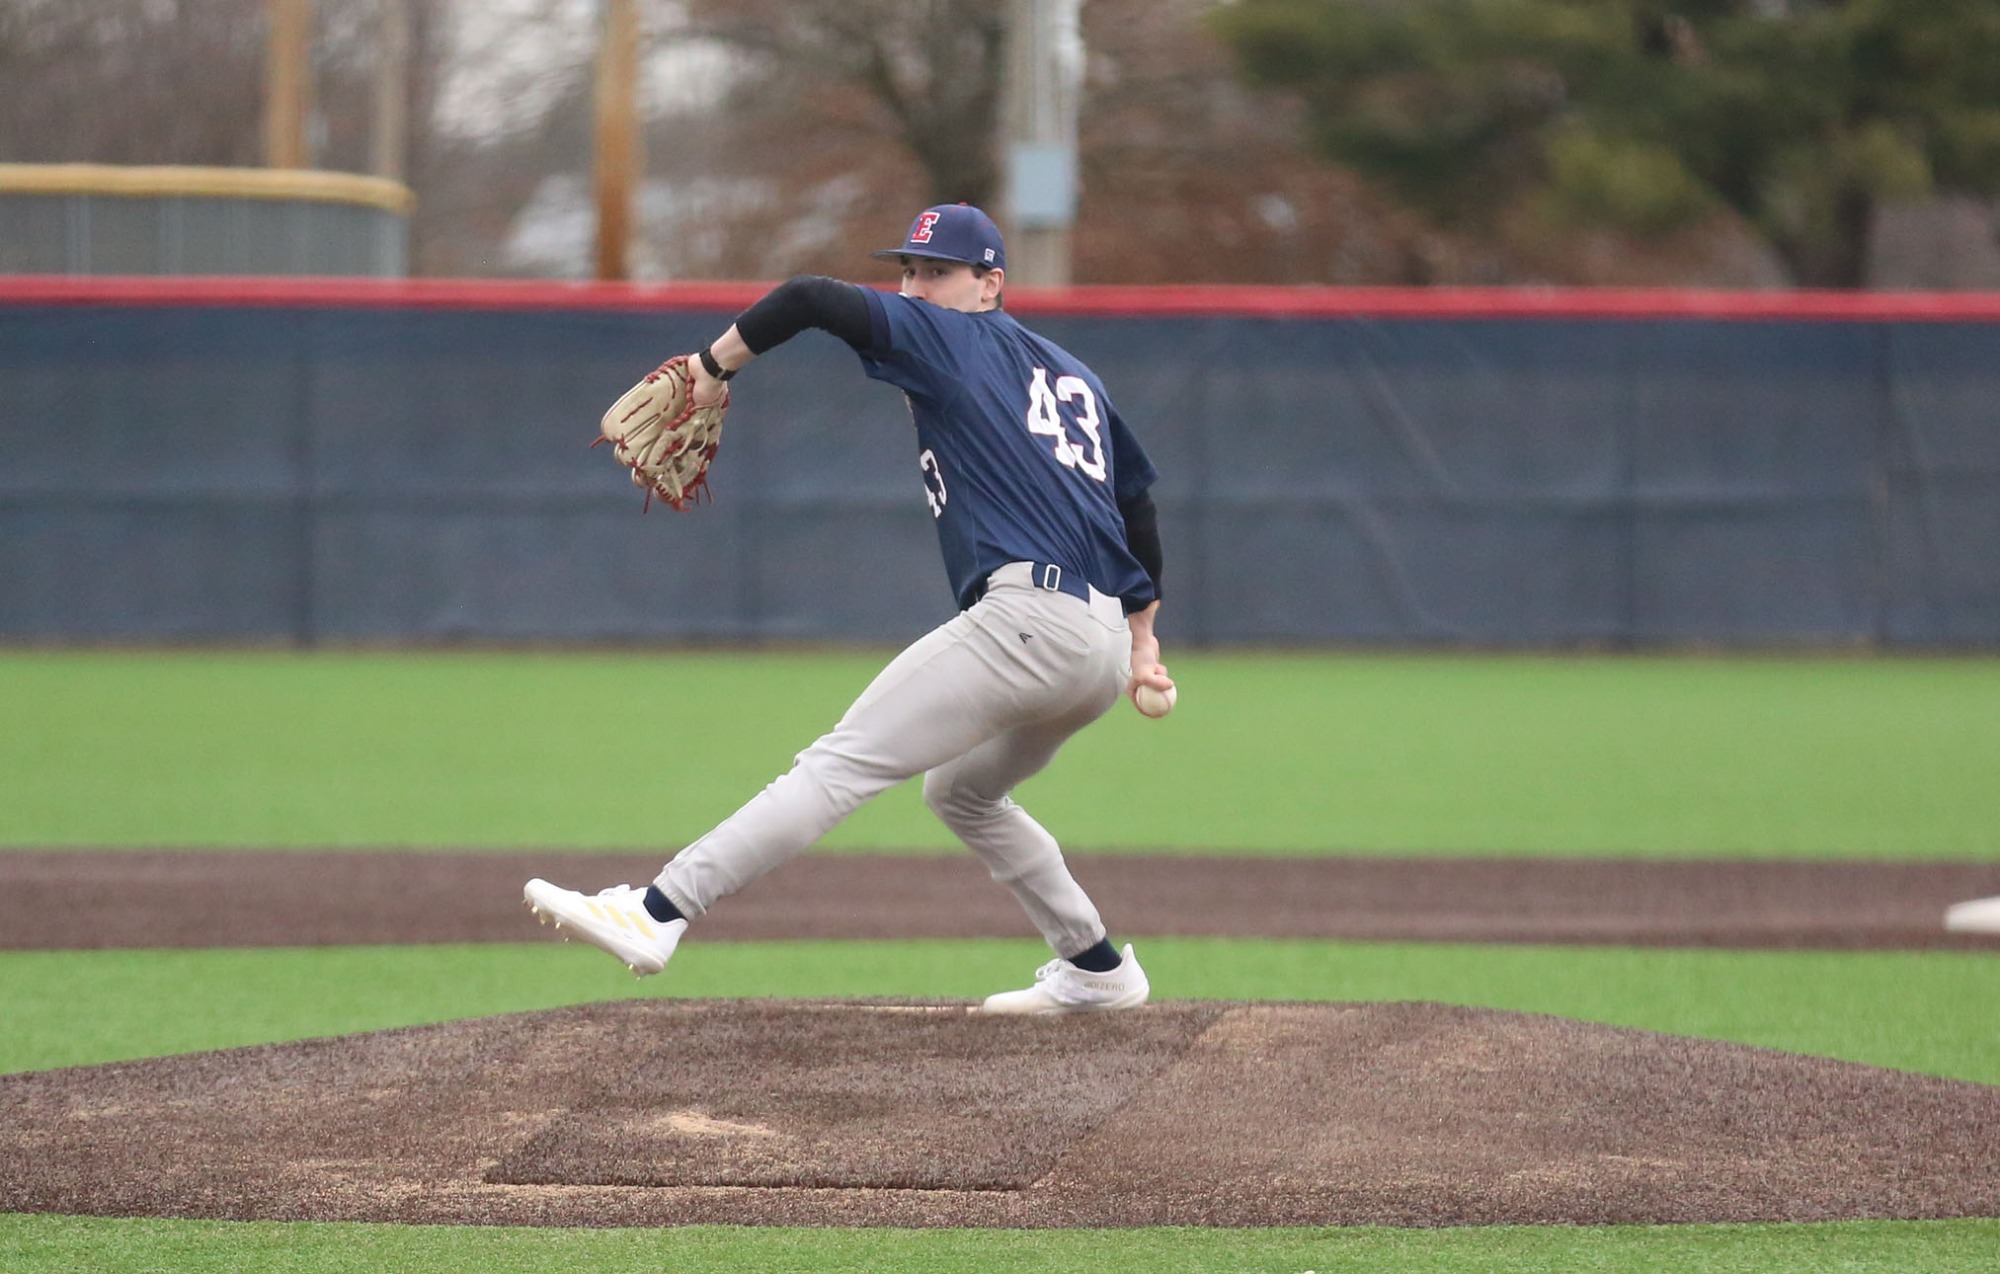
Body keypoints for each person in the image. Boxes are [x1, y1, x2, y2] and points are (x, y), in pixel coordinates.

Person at [525, 203, 1173, 1014]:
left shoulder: (950, 335)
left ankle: (656, 911)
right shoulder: (1073, 373)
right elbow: (1135, 503)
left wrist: (709, 367)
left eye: (936, 271)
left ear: (990, 284)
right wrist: (1144, 642)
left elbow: (807, 297)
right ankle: (1097, 968)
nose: (914, 286)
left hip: (1027, 621)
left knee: (839, 764)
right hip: (1099, 649)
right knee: (962, 793)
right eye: (907, 270)